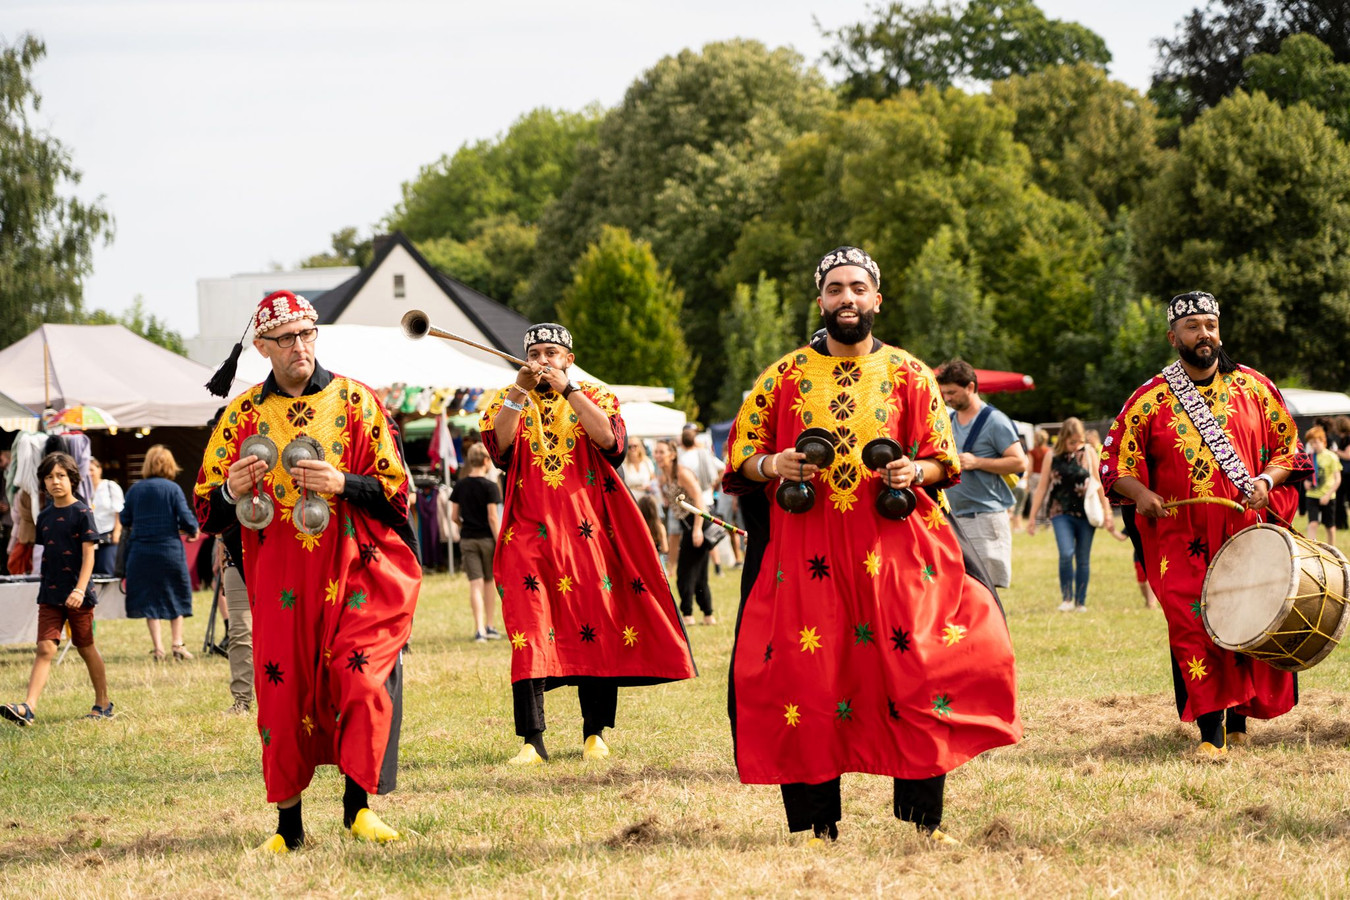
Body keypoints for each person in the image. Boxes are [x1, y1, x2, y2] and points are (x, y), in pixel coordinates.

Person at [723, 245, 1020, 846]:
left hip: (895, 551)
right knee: (809, 680)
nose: (847, 299)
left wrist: (917, 472)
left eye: (858, 288)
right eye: (835, 290)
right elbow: (738, 457)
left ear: (876, 299)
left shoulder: (911, 373)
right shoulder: (782, 376)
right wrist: (772, 462)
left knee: (916, 669)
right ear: (821, 300)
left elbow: (942, 459)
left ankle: (922, 823)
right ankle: (814, 825)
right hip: (806, 557)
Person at [196, 289, 421, 851]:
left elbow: (398, 491)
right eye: (287, 338)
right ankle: (288, 829)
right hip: (278, 582)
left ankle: (358, 809)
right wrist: (231, 488)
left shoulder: (356, 402)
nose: (300, 346)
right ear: (262, 347)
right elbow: (205, 507)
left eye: (308, 334)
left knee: (359, 676)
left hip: (354, 573)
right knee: (283, 695)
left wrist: (345, 483)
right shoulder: (242, 414)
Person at [1102, 290, 1310, 758]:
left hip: (1247, 532)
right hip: (1183, 538)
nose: (1204, 334)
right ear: (1173, 336)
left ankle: (1239, 721)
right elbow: (1115, 464)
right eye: (1193, 326)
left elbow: (1291, 452)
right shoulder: (1148, 399)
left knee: (1249, 620)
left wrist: (1264, 479)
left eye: (1210, 325)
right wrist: (1142, 494)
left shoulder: (1257, 388)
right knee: (1194, 626)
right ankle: (1210, 734)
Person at [481, 321, 696, 767]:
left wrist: (570, 390)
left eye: (550, 353)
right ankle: (531, 740)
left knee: (595, 621)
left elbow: (610, 442)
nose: (542, 360)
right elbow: (500, 448)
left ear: (568, 359)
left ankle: (594, 733)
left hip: (588, 533)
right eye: (535, 353)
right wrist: (518, 394)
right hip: (528, 532)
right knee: (529, 628)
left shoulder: (596, 396)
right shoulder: (505, 398)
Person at [0, 453, 111, 725]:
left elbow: (89, 557)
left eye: (61, 476)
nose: (55, 482)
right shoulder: (46, 516)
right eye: (49, 477)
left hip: (78, 595)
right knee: (44, 649)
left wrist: (79, 590)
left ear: (72, 479)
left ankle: (103, 703)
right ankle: (28, 708)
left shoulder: (83, 512)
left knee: (86, 648)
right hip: (49, 594)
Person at [933, 359, 1027, 588]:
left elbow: (1019, 462)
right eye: (944, 393)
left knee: (986, 590)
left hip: (984, 518)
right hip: (954, 518)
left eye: (952, 392)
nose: (947, 398)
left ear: (971, 387)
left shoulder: (995, 421)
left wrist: (977, 462)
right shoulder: (949, 420)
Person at [121, 445, 200, 661]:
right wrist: (193, 529)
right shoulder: (172, 489)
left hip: (141, 552)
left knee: (149, 599)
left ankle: (158, 649)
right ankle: (177, 644)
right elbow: (185, 517)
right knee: (175, 593)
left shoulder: (135, 490)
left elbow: (124, 519)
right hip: (169, 551)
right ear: (170, 465)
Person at [1027, 418, 1113, 611]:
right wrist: (1032, 517)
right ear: (1063, 439)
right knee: (1066, 553)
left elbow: (1100, 486)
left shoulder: (1089, 453)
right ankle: (1066, 599)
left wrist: (1107, 512)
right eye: (1072, 442)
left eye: (1080, 441)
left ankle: (1080, 602)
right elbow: (1041, 488)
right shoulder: (1052, 456)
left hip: (1086, 512)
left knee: (1083, 558)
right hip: (1060, 511)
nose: (1076, 446)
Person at [653, 439, 713, 625]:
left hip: (698, 522)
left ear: (672, 455)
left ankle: (687, 614)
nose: (657, 455)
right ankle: (708, 615)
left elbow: (699, 500)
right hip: (686, 524)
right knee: (699, 573)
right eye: (655, 452)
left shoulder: (681, 473)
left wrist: (697, 529)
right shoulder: (665, 476)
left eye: (661, 452)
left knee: (685, 573)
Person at [450, 443, 503, 642]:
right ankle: (490, 626)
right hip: (488, 539)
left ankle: (479, 629)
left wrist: (463, 527)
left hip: (468, 539)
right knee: (489, 583)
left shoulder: (460, 485)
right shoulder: (491, 487)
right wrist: (499, 540)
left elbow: (454, 516)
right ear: (486, 460)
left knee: (475, 584)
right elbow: (492, 517)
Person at [1303, 426, 1342, 546]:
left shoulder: (1331, 457)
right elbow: (1306, 476)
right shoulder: (1309, 457)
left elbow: (1337, 479)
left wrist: (1327, 495)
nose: (1313, 445)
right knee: (1312, 523)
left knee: (1330, 526)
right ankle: (1312, 548)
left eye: (1316, 442)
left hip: (1328, 496)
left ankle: (1332, 550)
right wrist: (1306, 483)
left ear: (1323, 441)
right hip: (1312, 495)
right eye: (1311, 443)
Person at [88, 458, 124, 576]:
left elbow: (119, 510)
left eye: (92, 469)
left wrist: (117, 532)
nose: (89, 473)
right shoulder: (84, 490)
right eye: (86, 470)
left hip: (108, 535)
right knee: (91, 573)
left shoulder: (110, 486)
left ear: (100, 470)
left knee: (108, 570)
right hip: (90, 538)